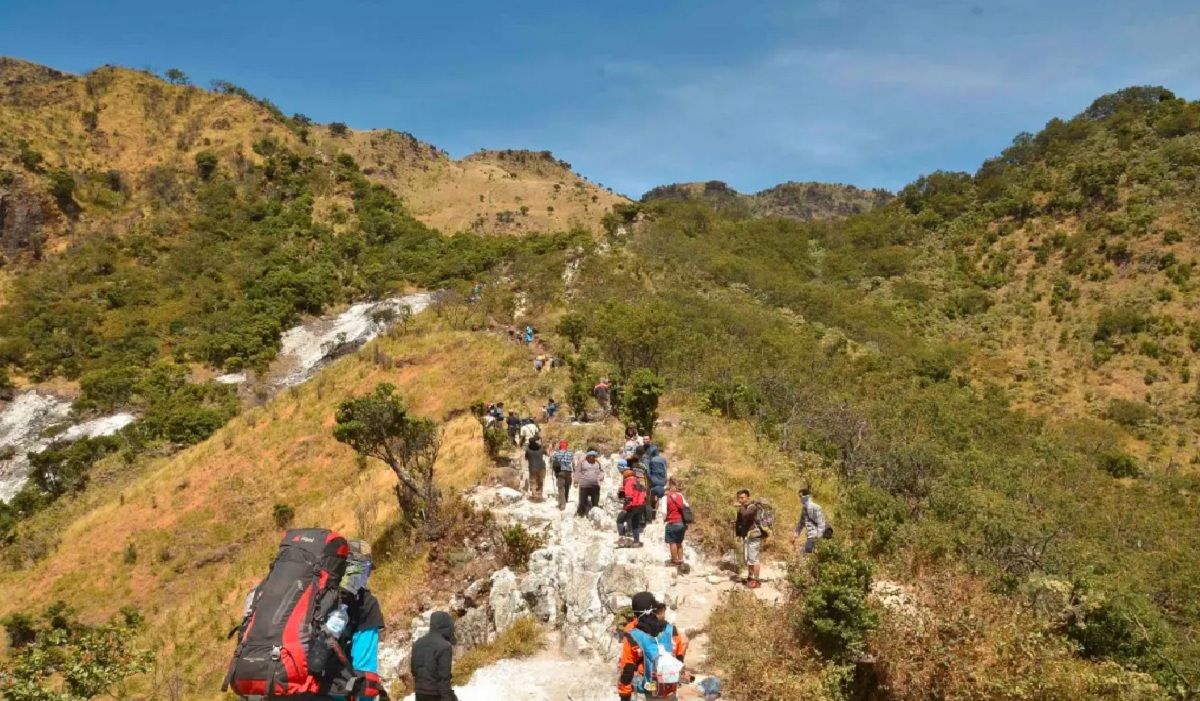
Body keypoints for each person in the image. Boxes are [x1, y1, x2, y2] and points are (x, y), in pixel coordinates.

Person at [618, 592, 688, 701]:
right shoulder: (671, 630)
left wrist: (624, 696)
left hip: (647, 692)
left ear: (635, 612)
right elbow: (679, 655)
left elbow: (627, 669)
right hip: (669, 689)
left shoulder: (632, 635)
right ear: (654, 608)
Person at [411, 611, 458, 701]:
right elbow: (444, 678)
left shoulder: (418, 643)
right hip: (436, 694)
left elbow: (414, 670)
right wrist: (447, 698)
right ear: (446, 626)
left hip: (420, 693)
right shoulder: (444, 647)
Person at [735, 489, 764, 589]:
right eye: (739, 498)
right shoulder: (743, 508)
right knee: (748, 559)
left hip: (754, 536)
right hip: (747, 536)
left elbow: (746, 515)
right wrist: (738, 534)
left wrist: (741, 506)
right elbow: (739, 521)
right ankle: (750, 577)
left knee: (754, 559)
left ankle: (756, 581)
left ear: (748, 497)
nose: (740, 500)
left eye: (742, 498)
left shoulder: (752, 507)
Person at [794, 486, 828, 558]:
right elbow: (801, 522)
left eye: (801, 496)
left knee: (806, 552)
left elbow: (821, 523)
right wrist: (796, 533)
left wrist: (818, 537)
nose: (800, 498)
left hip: (815, 535)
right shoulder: (804, 509)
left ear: (806, 496)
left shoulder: (815, 507)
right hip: (811, 535)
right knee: (809, 553)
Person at [617, 467, 647, 547]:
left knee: (620, 520)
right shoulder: (638, 481)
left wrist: (625, 504)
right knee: (635, 523)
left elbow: (629, 495)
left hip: (633, 505)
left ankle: (622, 540)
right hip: (641, 505)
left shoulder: (628, 482)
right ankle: (636, 542)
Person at [663, 479, 689, 568]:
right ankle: (681, 561)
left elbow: (664, 512)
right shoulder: (680, 496)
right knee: (679, 542)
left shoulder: (666, 497)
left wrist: (664, 519)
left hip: (672, 522)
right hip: (681, 523)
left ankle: (674, 560)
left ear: (668, 487)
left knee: (672, 542)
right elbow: (686, 507)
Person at [574, 449, 604, 517]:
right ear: (587, 456)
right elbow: (577, 471)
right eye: (590, 456)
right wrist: (576, 481)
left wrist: (600, 477)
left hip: (595, 486)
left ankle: (594, 515)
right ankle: (581, 515)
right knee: (582, 501)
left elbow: (602, 471)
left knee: (595, 502)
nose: (592, 457)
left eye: (593, 456)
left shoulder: (597, 463)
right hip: (584, 485)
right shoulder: (582, 462)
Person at [644, 445, 668, 522]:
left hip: (653, 481)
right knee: (660, 498)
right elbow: (665, 470)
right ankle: (658, 513)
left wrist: (649, 479)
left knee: (651, 496)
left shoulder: (651, 460)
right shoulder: (663, 459)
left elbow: (648, 472)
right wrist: (665, 480)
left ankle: (651, 514)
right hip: (662, 481)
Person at [550, 440, 574, 510]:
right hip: (568, 472)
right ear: (566, 446)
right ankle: (566, 500)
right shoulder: (570, 454)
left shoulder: (556, 454)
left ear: (560, 446)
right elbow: (573, 463)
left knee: (561, 488)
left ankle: (562, 505)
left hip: (560, 472)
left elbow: (552, 462)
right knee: (567, 486)